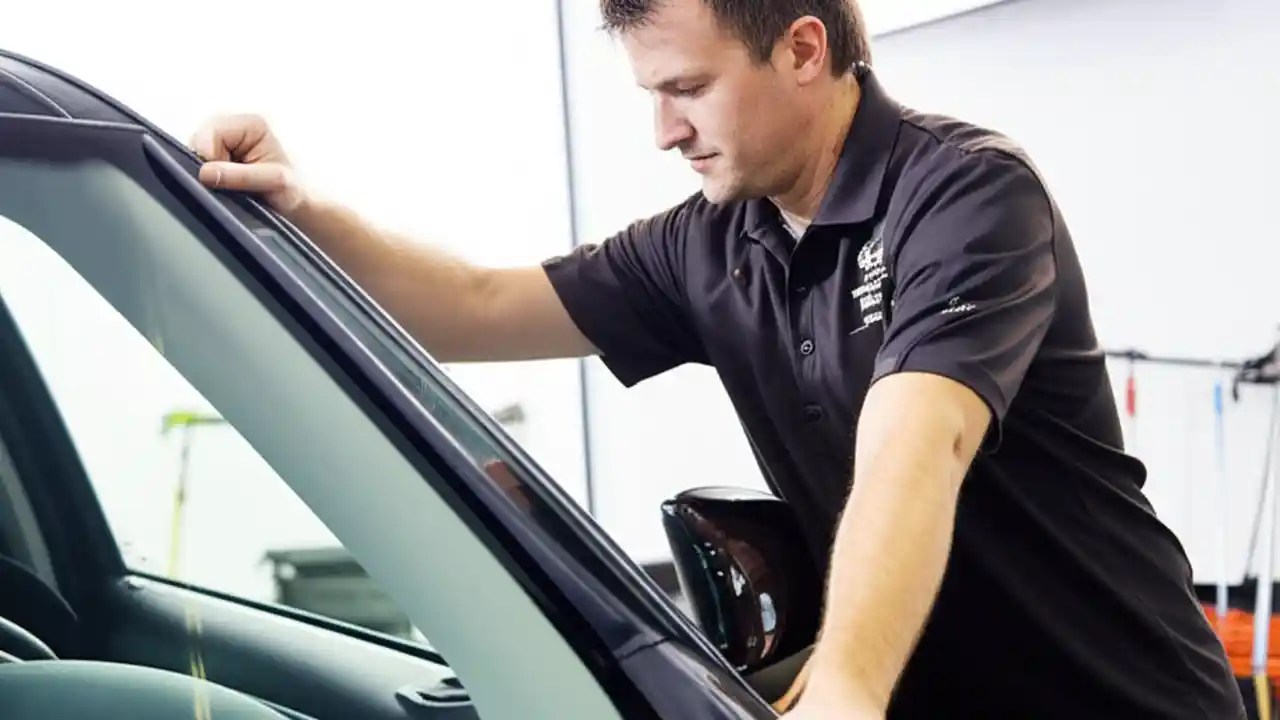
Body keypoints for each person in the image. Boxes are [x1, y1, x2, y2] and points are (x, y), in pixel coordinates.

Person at [189, 0, 1247, 717]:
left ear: (800, 48)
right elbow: (471, 305)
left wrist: (837, 689)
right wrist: (304, 212)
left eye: (686, 87)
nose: (661, 130)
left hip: (1121, 695)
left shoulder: (964, 194)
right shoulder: (711, 242)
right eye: (650, 92)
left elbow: (916, 442)